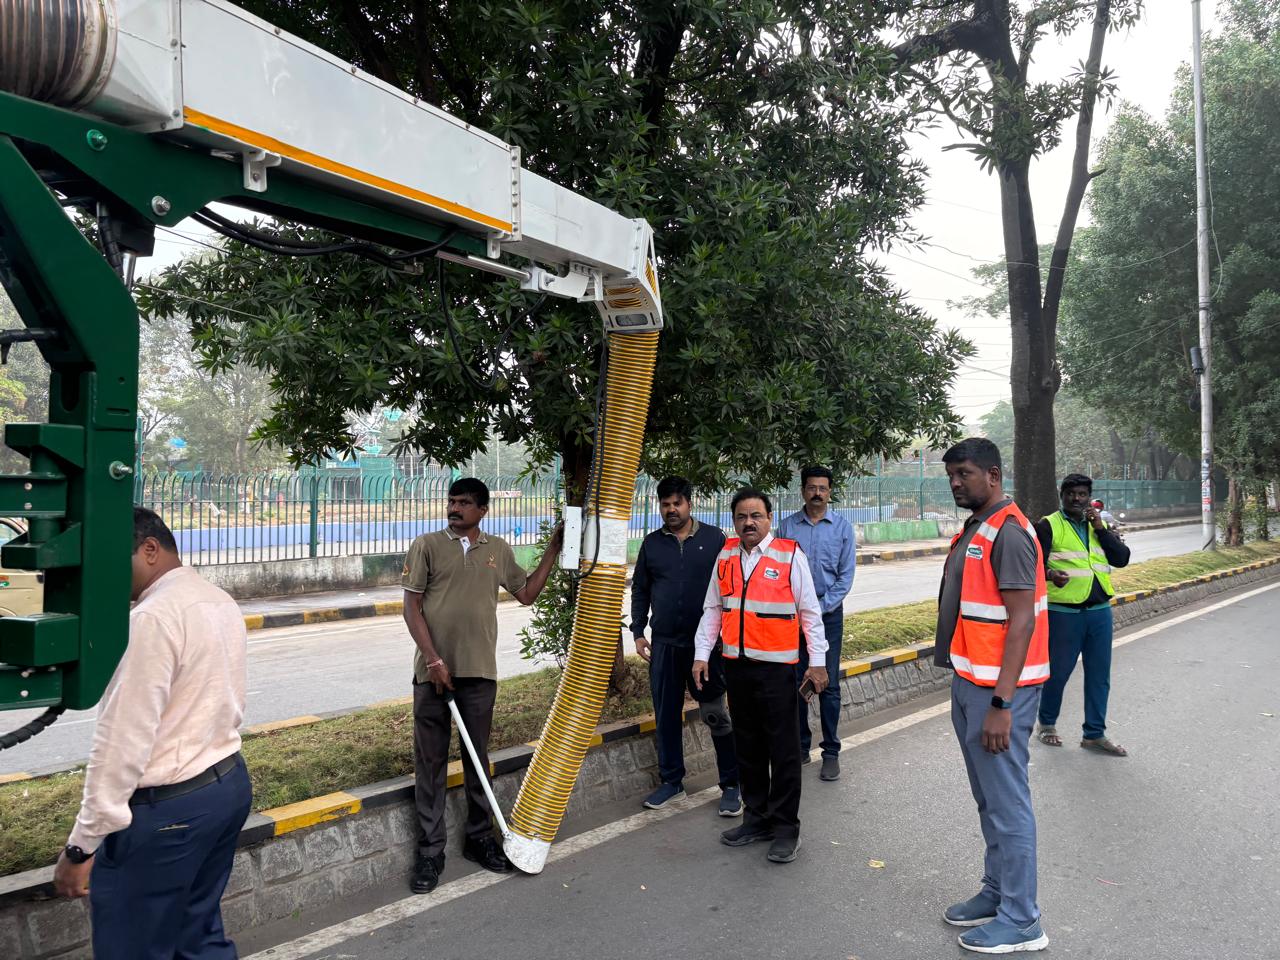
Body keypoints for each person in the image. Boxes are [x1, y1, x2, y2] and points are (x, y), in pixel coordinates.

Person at [53, 507, 252, 960]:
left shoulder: (151, 619)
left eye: (108, 562)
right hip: (225, 787)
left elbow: (122, 742)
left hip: (168, 812)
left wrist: (82, 847)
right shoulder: (216, 599)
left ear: (149, 549)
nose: (102, 577)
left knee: (134, 947)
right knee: (196, 935)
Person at [401, 477, 562, 894]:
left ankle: (479, 839)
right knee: (431, 764)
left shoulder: (497, 550)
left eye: (465, 503)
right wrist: (434, 660)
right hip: (432, 675)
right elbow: (411, 606)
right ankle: (430, 852)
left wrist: (554, 549)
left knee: (477, 760)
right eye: (452, 501)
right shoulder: (427, 545)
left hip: (478, 675)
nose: (455, 508)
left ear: (482, 510)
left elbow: (526, 594)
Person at [935, 438, 1050, 954]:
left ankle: (1023, 920)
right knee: (989, 800)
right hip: (971, 683)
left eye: (964, 474)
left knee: (1008, 804)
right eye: (952, 475)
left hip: (1000, 693)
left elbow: (1022, 620)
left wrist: (1002, 705)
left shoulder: (1009, 532)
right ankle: (998, 892)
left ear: (994, 475)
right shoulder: (978, 526)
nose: (956, 483)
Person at [692, 488, 827, 865]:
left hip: (778, 671)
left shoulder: (788, 555)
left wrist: (817, 663)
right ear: (733, 521)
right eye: (741, 516)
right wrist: (702, 655)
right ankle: (757, 819)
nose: (748, 522)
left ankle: (785, 829)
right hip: (737, 668)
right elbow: (713, 610)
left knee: (783, 752)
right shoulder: (725, 557)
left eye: (756, 515)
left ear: (769, 518)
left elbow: (810, 613)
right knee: (747, 748)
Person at [631, 477, 741, 815]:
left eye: (677, 503)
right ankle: (672, 782)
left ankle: (731, 785)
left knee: (714, 713)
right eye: (665, 504)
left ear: (689, 504)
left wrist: (724, 636)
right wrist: (638, 631)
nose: (671, 510)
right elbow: (640, 590)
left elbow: (728, 588)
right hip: (664, 645)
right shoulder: (651, 544)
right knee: (666, 716)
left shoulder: (714, 540)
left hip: (704, 647)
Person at [1034, 475, 1131, 756]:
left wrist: (1100, 528)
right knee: (1059, 673)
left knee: (1099, 675)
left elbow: (1121, 558)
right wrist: (1051, 575)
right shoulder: (1048, 525)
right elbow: (1030, 567)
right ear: (1061, 494)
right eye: (1071, 494)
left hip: (1099, 612)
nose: (1077, 499)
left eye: (1082, 494)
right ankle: (1048, 725)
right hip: (1064, 612)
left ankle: (1094, 734)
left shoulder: (1098, 525)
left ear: (1089, 497)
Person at [777, 465, 855, 782]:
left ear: (829, 491)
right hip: (792, 618)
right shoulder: (785, 528)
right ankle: (800, 747)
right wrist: (796, 611)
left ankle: (831, 752)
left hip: (828, 615)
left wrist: (818, 608)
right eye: (811, 487)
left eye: (823, 488)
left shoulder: (842, 528)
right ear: (803, 491)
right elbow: (779, 573)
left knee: (828, 684)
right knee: (795, 681)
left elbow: (845, 577)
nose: (817, 493)